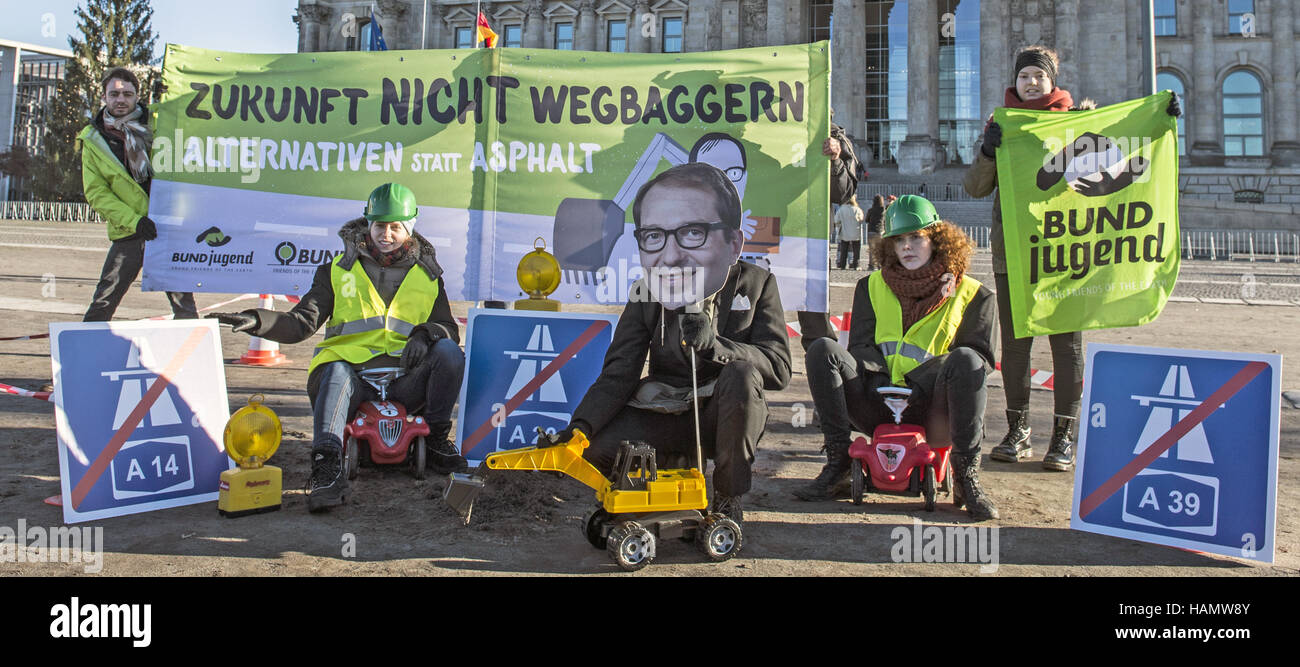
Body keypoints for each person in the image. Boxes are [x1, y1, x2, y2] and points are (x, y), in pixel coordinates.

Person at [964, 45, 1181, 472]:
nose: (1030, 83)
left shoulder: (1079, 123)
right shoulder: (1003, 127)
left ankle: (1062, 436)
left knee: (1067, 348)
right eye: (1023, 75)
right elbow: (975, 187)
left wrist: (1165, 116)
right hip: (1016, 257)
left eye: (1038, 76)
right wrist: (989, 151)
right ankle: (1018, 431)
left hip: (1067, 254)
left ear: (1052, 81)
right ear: (1015, 81)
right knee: (1016, 346)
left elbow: (1129, 145)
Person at [550, 163, 792, 524]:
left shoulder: (756, 285)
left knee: (742, 376)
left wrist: (716, 347)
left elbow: (778, 369)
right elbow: (620, 371)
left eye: (692, 232)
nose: (672, 254)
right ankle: (665, 475)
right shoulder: (647, 291)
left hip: (721, 416)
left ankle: (727, 496)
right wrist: (580, 429)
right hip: (665, 409)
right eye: (653, 236)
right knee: (597, 451)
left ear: (734, 244)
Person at [209, 183, 466, 512]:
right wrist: (258, 320)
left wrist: (426, 333)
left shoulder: (428, 277)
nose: (386, 234)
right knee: (334, 368)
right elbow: (302, 322)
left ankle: (435, 441)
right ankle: (326, 466)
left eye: (395, 227)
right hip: (350, 382)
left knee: (448, 353)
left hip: (404, 382)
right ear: (367, 224)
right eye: (379, 226)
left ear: (410, 228)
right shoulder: (336, 271)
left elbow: (448, 329)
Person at [793, 195, 999, 520]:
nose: (907, 246)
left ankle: (966, 477)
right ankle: (838, 464)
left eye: (916, 237)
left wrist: (919, 384)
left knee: (968, 360)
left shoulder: (975, 294)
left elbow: (979, 360)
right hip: (878, 402)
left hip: (935, 409)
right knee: (822, 349)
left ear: (937, 239)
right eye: (899, 239)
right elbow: (861, 348)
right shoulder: (870, 287)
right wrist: (883, 386)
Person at [80, 67, 196, 323]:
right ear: (104, 97)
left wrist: (170, 99)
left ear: (136, 95)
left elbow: (193, 137)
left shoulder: (160, 122)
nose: (120, 99)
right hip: (129, 231)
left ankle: (192, 356)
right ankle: (82, 357)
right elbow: (97, 193)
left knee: (184, 306)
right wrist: (135, 221)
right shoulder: (92, 139)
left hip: (166, 227)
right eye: (114, 94)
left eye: (127, 94)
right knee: (104, 299)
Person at [796, 117, 866, 351]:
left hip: (808, 238)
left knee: (815, 321)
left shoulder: (833, 134)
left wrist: (835, 159)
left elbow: (843, 194)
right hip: (760, 236)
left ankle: (823, 368)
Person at [835, 196, 865, 270]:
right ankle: (856, 264)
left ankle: (842, 265)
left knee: (844, 250)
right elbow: (861, 219)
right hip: (855, 232)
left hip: (844, 232)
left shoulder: (841, 209)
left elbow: (836, 220)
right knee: (856, 250)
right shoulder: (857, 209)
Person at [864, 194, 886, 270]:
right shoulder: (883, 210)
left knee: (872, 249)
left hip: (871, 231)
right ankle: (880, 265)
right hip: (880, 231)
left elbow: (866, 220)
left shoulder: (871, 210)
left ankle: (871, 265)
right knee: (880, 249)